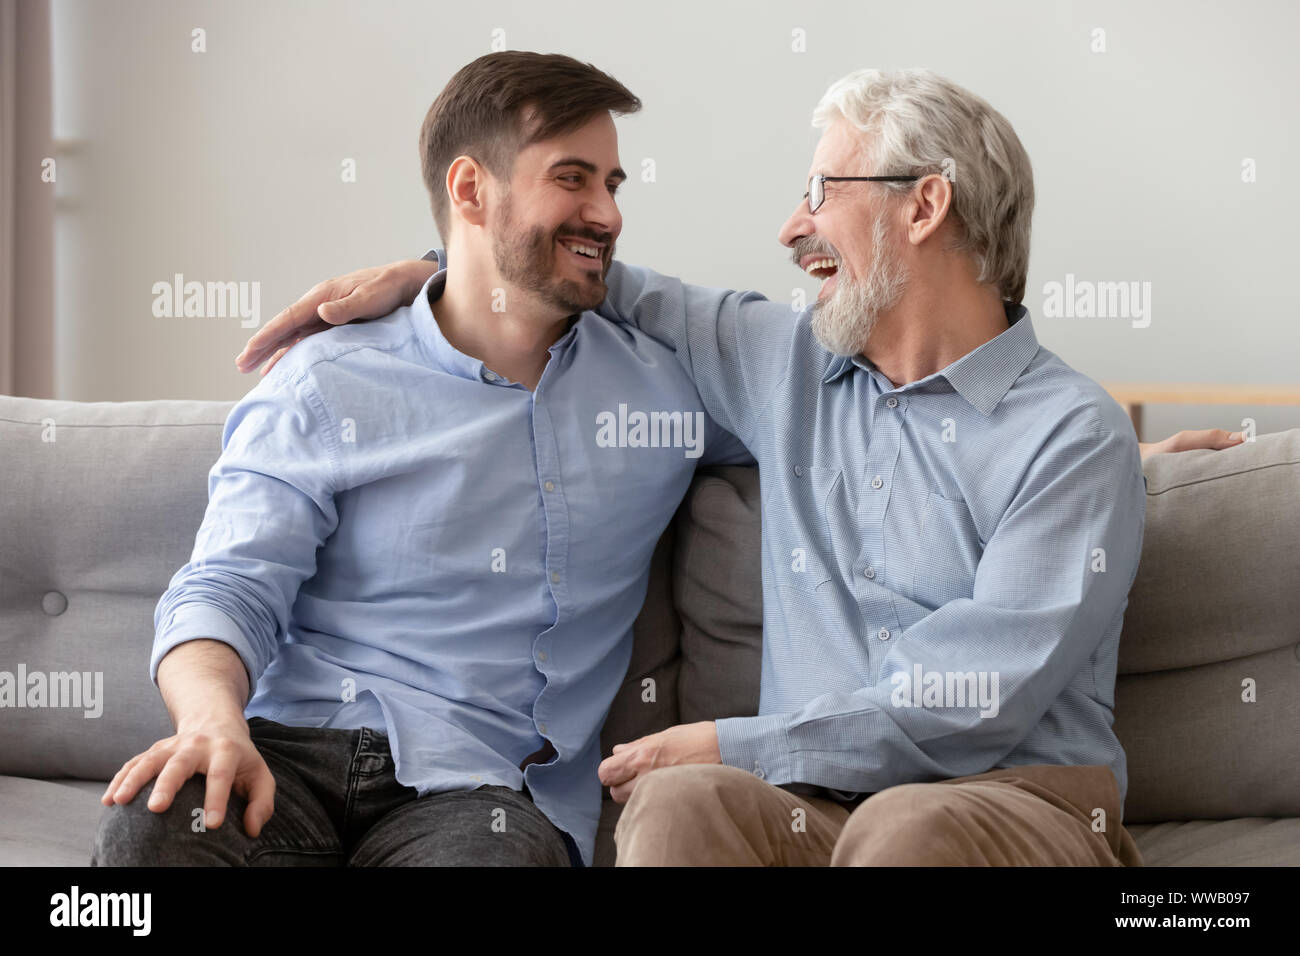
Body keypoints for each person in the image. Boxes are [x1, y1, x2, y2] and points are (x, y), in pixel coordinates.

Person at [240, 67, 1248, 867]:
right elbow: (574, 267)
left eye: (819, 191)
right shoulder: (786, 365)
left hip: (1012, 798)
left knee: (902, 832)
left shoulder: (1068, 432)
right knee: (678, 802)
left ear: (923, 205)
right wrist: (428, 266)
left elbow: (970, 695)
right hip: (802, 807)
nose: (788, 227)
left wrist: (735, 742)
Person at [92, 51, 748, 868]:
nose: (607, 213)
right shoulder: (329, 377)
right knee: (152, 829)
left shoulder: (666, 397)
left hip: (479, 797)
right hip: (285, 757)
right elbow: (226, 585)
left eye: (612, 185)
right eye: (572, 179)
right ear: (470, 190)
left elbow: (835, 397)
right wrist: (210, 721)